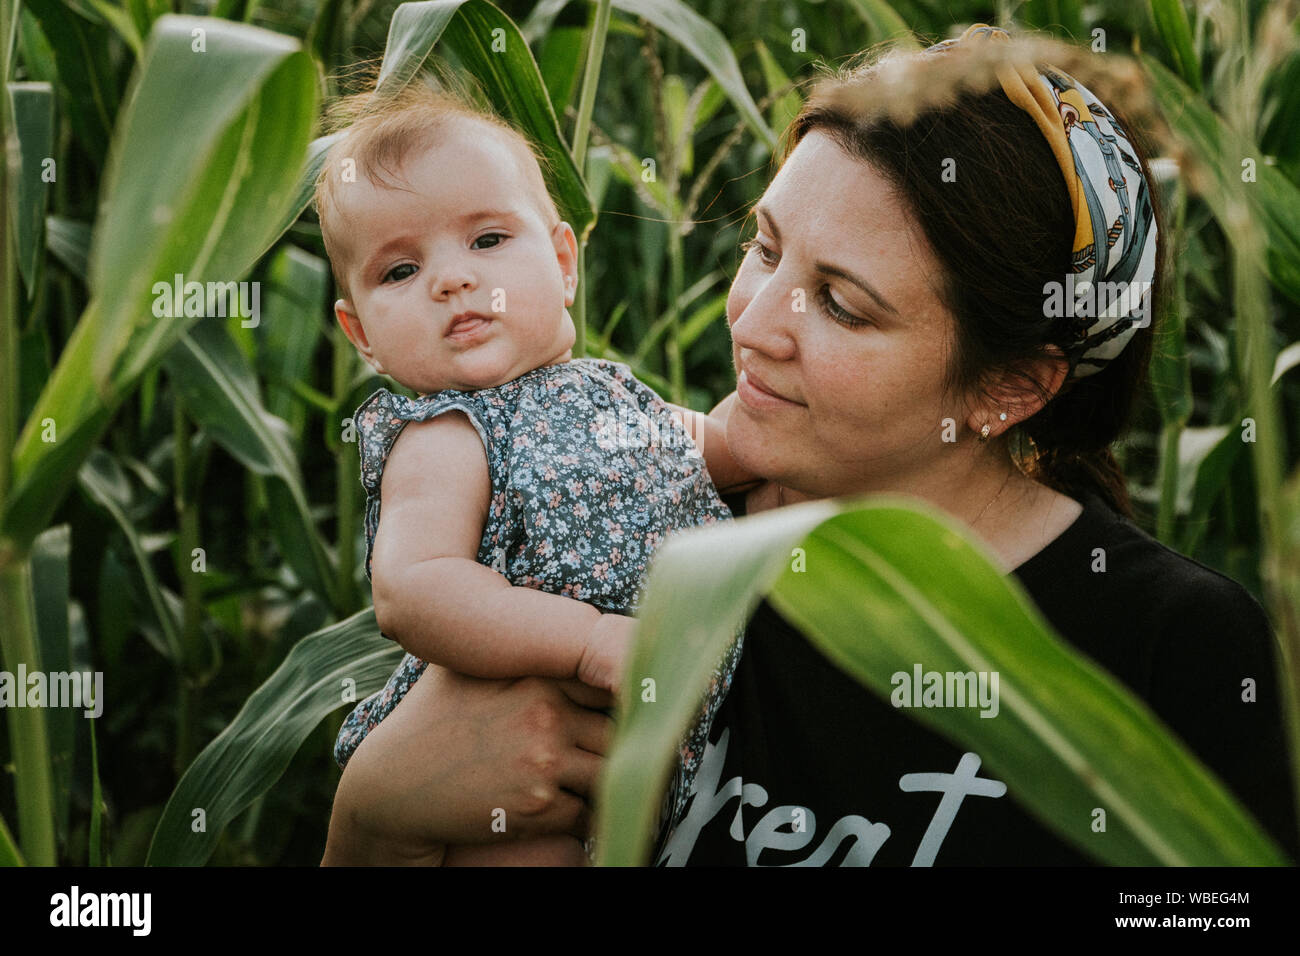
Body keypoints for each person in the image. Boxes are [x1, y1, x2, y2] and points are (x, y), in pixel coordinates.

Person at [322, 26, 1300, 866]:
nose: (751, 324)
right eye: (762, 245)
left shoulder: (1168, 649)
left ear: (1010, 387)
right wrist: (372, 814)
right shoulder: (641, 534)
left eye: (839, 302)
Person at [313, 79, 750, 865]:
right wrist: (583, 642)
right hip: (521, 739)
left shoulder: (609, 390)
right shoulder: (447, 434)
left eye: (486, 241)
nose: (450, 279)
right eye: (400, 271)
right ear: (362, 336)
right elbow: (412, 590)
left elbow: (711, 448)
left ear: (562, 260)